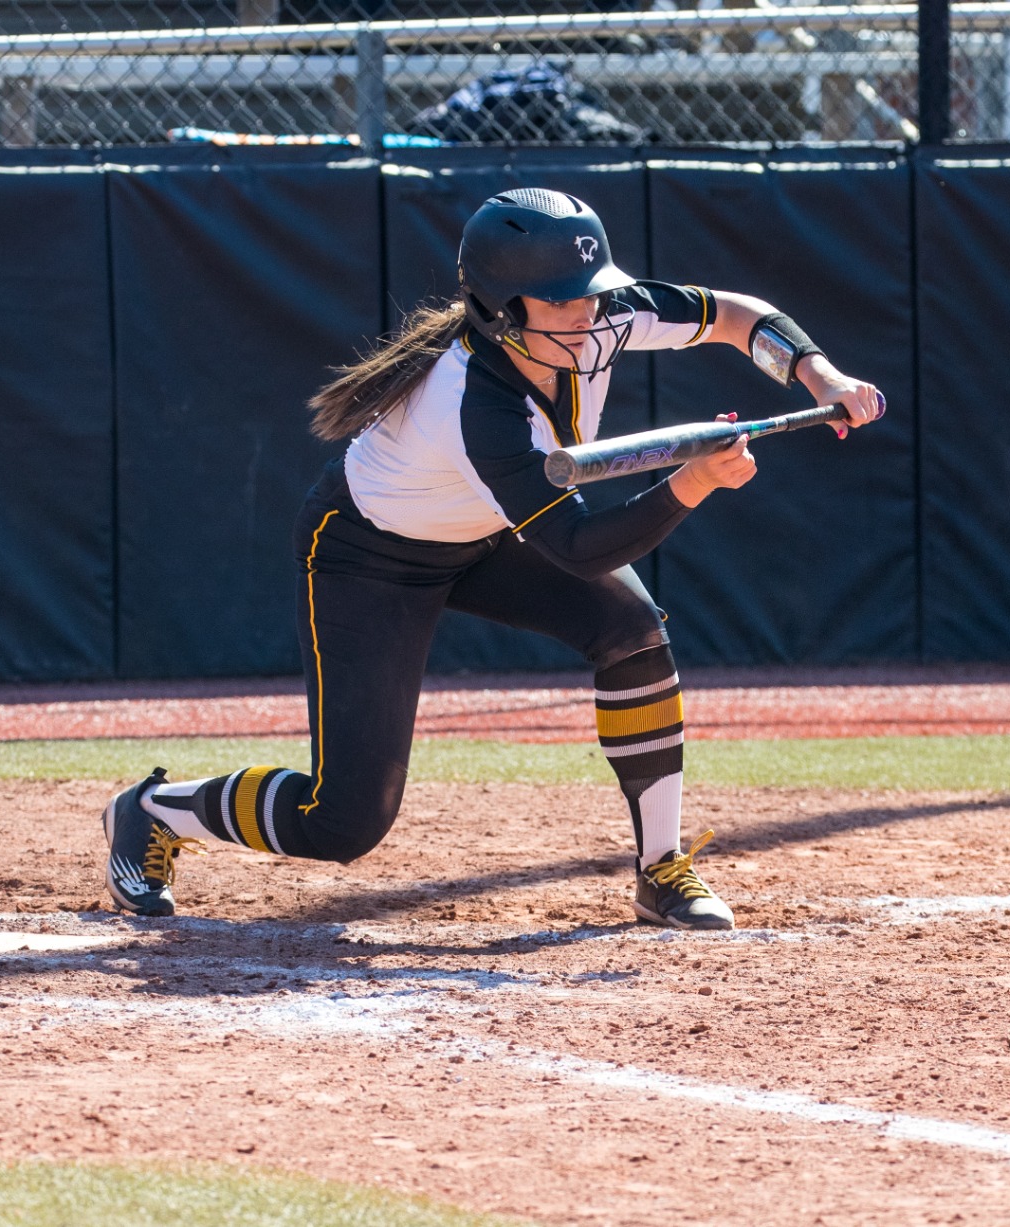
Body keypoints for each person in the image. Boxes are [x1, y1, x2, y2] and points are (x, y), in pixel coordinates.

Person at [100, 187, 884, 931]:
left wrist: (821, 372)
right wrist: (695, 482)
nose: (588, 315)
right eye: (562, 301)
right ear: (503, 310)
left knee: (633, 629)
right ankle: (153, 810)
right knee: (343, 821)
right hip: (371, 555)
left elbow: (736, 316)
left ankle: (662, 869)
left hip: (489, 530)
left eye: (592, 294)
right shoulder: (474, 402)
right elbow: (576, 547)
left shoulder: (605, 317)